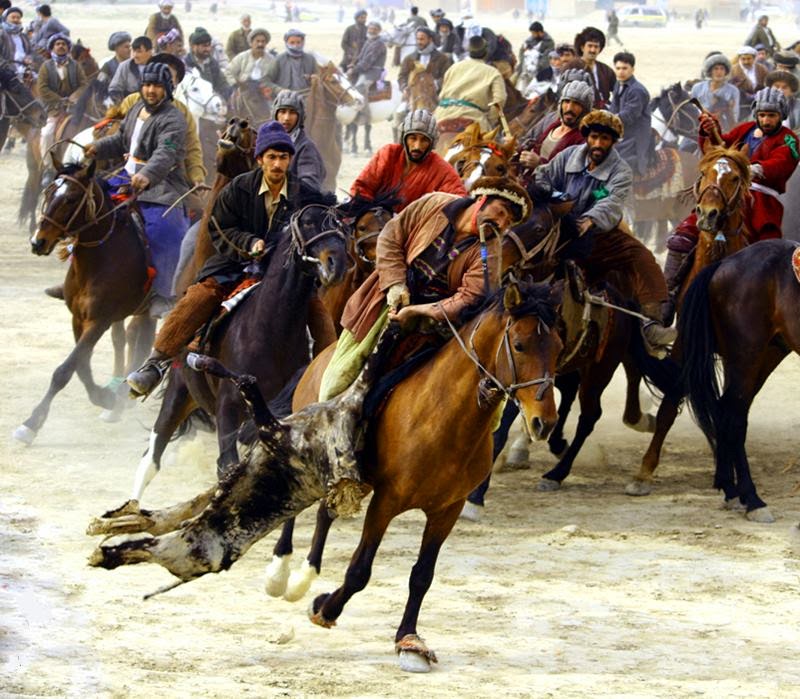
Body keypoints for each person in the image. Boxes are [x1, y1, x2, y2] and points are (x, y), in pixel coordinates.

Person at [125, 121, 332, 397]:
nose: (277, 164)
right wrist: (250, 243)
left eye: (283, 157)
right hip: (236, 266)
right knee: (201, 295)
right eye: (271, 157)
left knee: (318, 311)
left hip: (283, 271)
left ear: (290, 159)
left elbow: (321, 216)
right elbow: (220, 227)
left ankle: (328, 382)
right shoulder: (237, 189)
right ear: (259, 159)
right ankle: (156, 363)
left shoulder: (302, 194)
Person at [318, 175, 532, 402]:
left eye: (508, 222)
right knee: (337, 381)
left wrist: (419, 311)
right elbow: (390, 237)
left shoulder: (491, 251)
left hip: (438, 323)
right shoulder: (434, 203)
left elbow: (468, 298)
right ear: (482, 199)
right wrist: (395, 285)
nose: (500, 223)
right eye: (500, 212)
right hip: (390, 300)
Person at [533, 110, 677, 354]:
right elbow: (542, 175)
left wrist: (591, 219)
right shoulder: (568, 156)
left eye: (605, 139)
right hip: (559, 227)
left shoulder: (620, 171)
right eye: (594, 137)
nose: (598, 144)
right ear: (587, 137)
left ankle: (651, 323)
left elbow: (611, 201)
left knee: (642, 256)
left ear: (613, 142)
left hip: (598, 234)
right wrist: (557, 198)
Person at [663, 87, 800, 318]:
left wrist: (755, 168)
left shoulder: (789, 138)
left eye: (772, 115)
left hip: (760, 202)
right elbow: (721, 145)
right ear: (756, 113)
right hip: (726, 192)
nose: (766, 120)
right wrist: (709, 131)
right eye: (763, 115)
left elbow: (783, 161)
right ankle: (669, 295)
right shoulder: (745, 129)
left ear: (781, 115)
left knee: (767, 255)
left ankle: (769, 310)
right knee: (682, 236)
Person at [86, 62, 190, 319]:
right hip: (125, 176)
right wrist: (97, 147)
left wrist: (146, 175)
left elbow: (165, 154)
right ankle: (79, 277)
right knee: (86, 207)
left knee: (167, 231)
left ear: (167, 88)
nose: (151, 90)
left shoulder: (174, 119)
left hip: (162, 185)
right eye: (147, 85)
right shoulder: (135, 110)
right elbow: (122, 139)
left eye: (156, 85)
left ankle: (163, 294)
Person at [117, 53, 206, 189]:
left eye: (166, 77)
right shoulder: (132, 102)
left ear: (173, 84)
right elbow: (117, 134)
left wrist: (196, 176)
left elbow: (191, 147)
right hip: (124, 171)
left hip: (166, 179)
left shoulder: (181, 112)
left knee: (196, 208)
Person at [351, 109, 466, 211]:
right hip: (373, 223)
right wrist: (373, 214)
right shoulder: (388, 154)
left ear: (432, 143)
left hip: (411, 230)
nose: (417, 146)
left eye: (424, 140)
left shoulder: (441, 169)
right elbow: (361, 187)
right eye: (413, 138)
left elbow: (459, 199)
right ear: (404, 138)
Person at [516, 79, 593, 187]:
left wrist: (540, 164)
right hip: (526, 183)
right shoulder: (553, 124)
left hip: (548, 196)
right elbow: (528, 141)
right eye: (566, 101)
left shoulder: (584, 139)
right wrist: (516, 147)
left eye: (576, 104)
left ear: (585, 110)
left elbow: (573, 177)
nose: (569, 108)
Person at [433, 35, 506, 131]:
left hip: (441, 115)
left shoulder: (453, 68)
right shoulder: (493, 72)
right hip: (473, 117)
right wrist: (490, 120)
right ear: (486, 52)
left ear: (469, 52)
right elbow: (499, 100)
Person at [38, 34, 87, 161]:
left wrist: (75, 96)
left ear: (68, 48)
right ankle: (48, 166)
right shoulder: (45, 66)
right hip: (54, 109)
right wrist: (59, 100)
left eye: (64, 44)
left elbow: (84, 84)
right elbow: (42, 88)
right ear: (52, 48)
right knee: (47, 133)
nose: (61, 46)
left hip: (76, 108)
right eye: (58, 44)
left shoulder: (75, 65)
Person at [608, 51, 652, 176]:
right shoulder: (618, 84)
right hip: (621, 133)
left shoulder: (637, 90)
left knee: (620, 166)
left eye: (625, 68)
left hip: (634, 137)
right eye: (618, 68)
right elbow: (613, 108)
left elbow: (628, 116)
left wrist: (605, 119)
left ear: (632, 69)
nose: (621, 72)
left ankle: (623, 192)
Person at [271, 89, 326, 190]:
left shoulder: (306, 147)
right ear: (275, 114)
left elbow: (310, 184)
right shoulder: (267, 143)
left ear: (300, 117)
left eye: (292, 112)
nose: (287, 118)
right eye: (282, 112)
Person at [690, 53, 739, 133]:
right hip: (698, 128)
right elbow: (692, 111)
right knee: (685, 145)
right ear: (710, 71)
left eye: (722, 69)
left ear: (726, 72)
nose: (719, 72)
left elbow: (735, 114)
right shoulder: (697, 88)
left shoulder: (733, 91)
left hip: (723, 128)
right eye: (716, 69)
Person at [398, 26, 452, 96]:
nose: (419, 42)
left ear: (430, 39)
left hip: (436, 96)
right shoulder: (409, 58)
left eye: (422, 39)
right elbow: (402, 76)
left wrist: (435, 85)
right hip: (413, 96)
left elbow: (447, 76)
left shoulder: (442, 58)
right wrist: (404, 87)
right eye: (417, 39)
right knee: (401, 107)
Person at [264, 28, 319, 95]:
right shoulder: (279, 59)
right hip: (285, 97)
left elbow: (318, 77)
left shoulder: (310, 59)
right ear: (286, 43)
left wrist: (314, 79)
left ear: (303, 42)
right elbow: (266, 80)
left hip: (306, 95)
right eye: (292, 42)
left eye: (298, 42)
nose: (295, 45)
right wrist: (279, 90)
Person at [574, 26, 615, 108]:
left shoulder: (606, 70)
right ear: (582, 47)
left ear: (600, 49)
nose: (593, 50)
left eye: (596, 46)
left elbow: (618, 91)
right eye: (590, 46)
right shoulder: (572, 67)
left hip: (605, 112)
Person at [185, 26, 231, 98]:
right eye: (204, 46)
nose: (207, 49)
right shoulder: (186, 64)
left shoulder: (213, 63)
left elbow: (222, 84)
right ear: (194, 47)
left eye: (209, 45)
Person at [108, 36, 153, 104]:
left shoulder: (159, 65)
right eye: (133, 51)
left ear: (149, 52)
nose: (135, 55)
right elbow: (114, 89)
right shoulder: (125, 66)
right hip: (130, 107)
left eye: (139, 52)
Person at [346, 20, 386, 95]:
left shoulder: (378, 44)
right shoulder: (369, 40)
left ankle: (364, 107)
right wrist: (352, 65)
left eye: (375, 29)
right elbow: (360, 56)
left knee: (358, 89)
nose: (372, 31)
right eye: (370, 29)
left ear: (379, 31)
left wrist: (354, 69)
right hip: (364, 70)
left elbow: (367, 62)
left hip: (372, 72)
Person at [731, 46, 768, 120]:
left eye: (749, 59)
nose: (746, 62)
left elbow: (767, 84)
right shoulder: (733, 70)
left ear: (754, 58)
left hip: (759, 104)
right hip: (741, 106)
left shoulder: (762, 69)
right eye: (743, 59)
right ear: (739, 59)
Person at [0, 7, 32, 79]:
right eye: (13, 17)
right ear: (6, 18)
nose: (16, 20)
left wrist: (28, 58)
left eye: (18, 18)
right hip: (6, 71)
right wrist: (7, 67)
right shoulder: (1, 34)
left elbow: (30, 52)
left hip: (24, 69)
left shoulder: (23, 36)